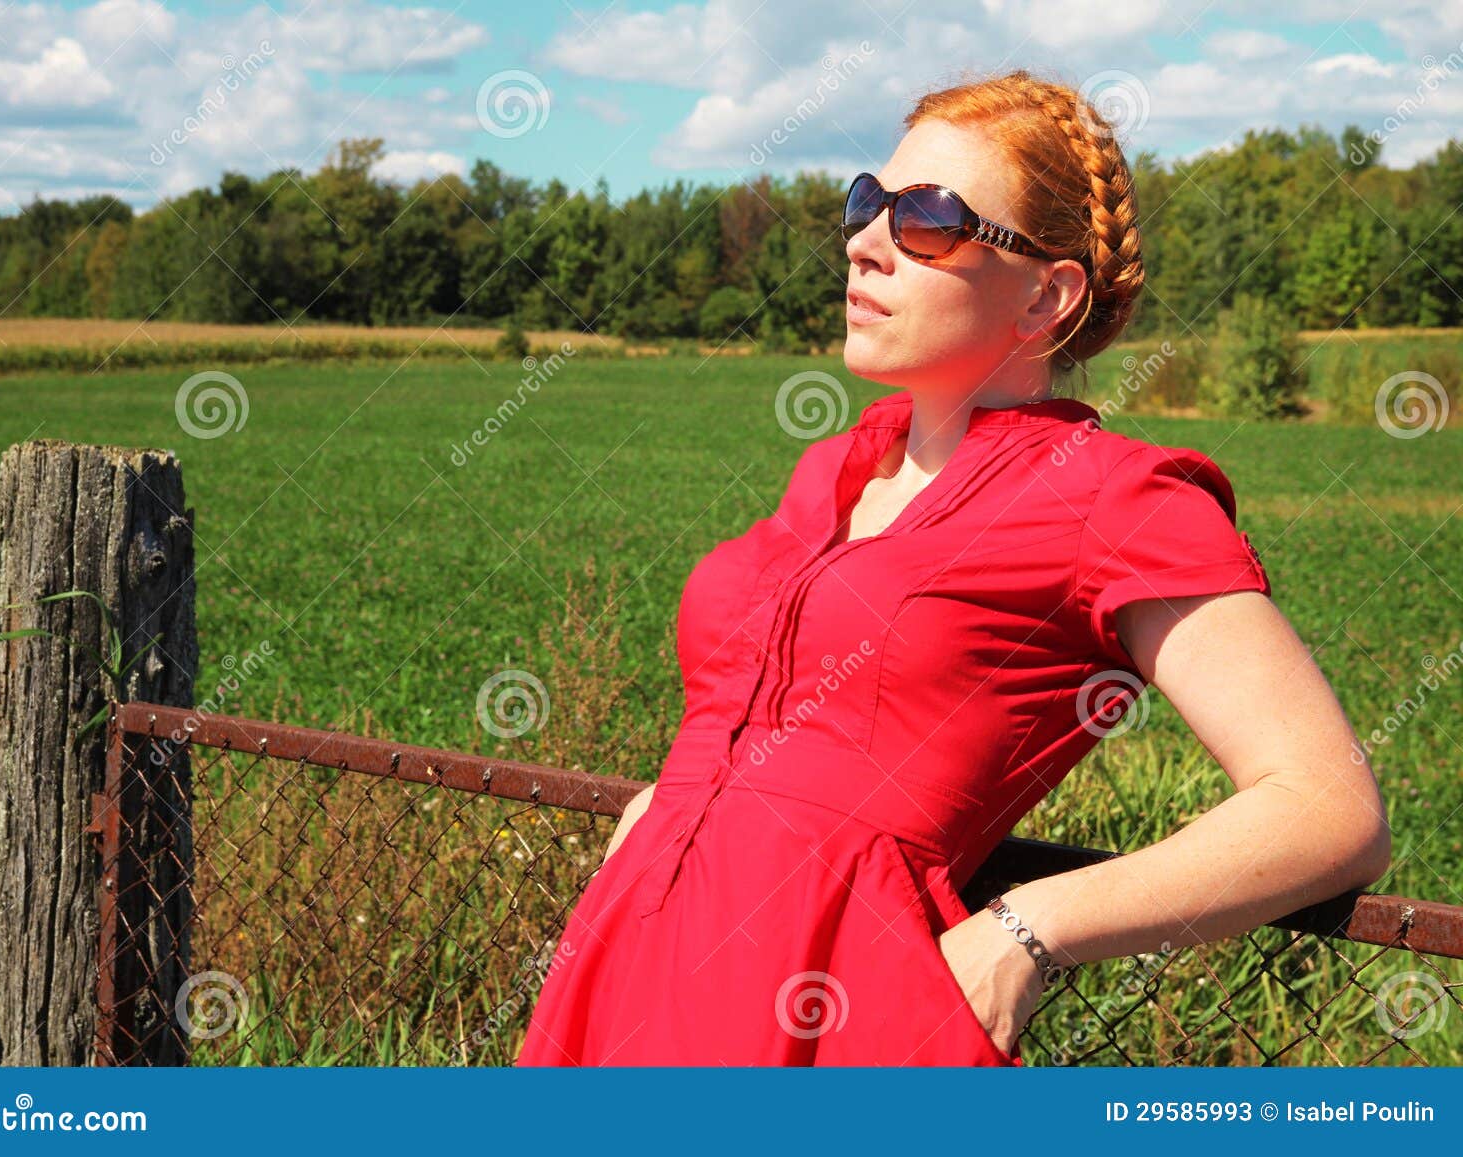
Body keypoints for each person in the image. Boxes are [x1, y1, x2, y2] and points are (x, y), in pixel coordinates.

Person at [513, 67, 1390, 1067]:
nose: (864, 243)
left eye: (928, 218)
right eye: (866, 204)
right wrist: (661, 811)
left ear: (1044, 297)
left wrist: (1031, 927)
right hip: (618, 986)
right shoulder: (829, 474)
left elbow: (1326, 803)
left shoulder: (1112, 497)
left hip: (830, 1019)